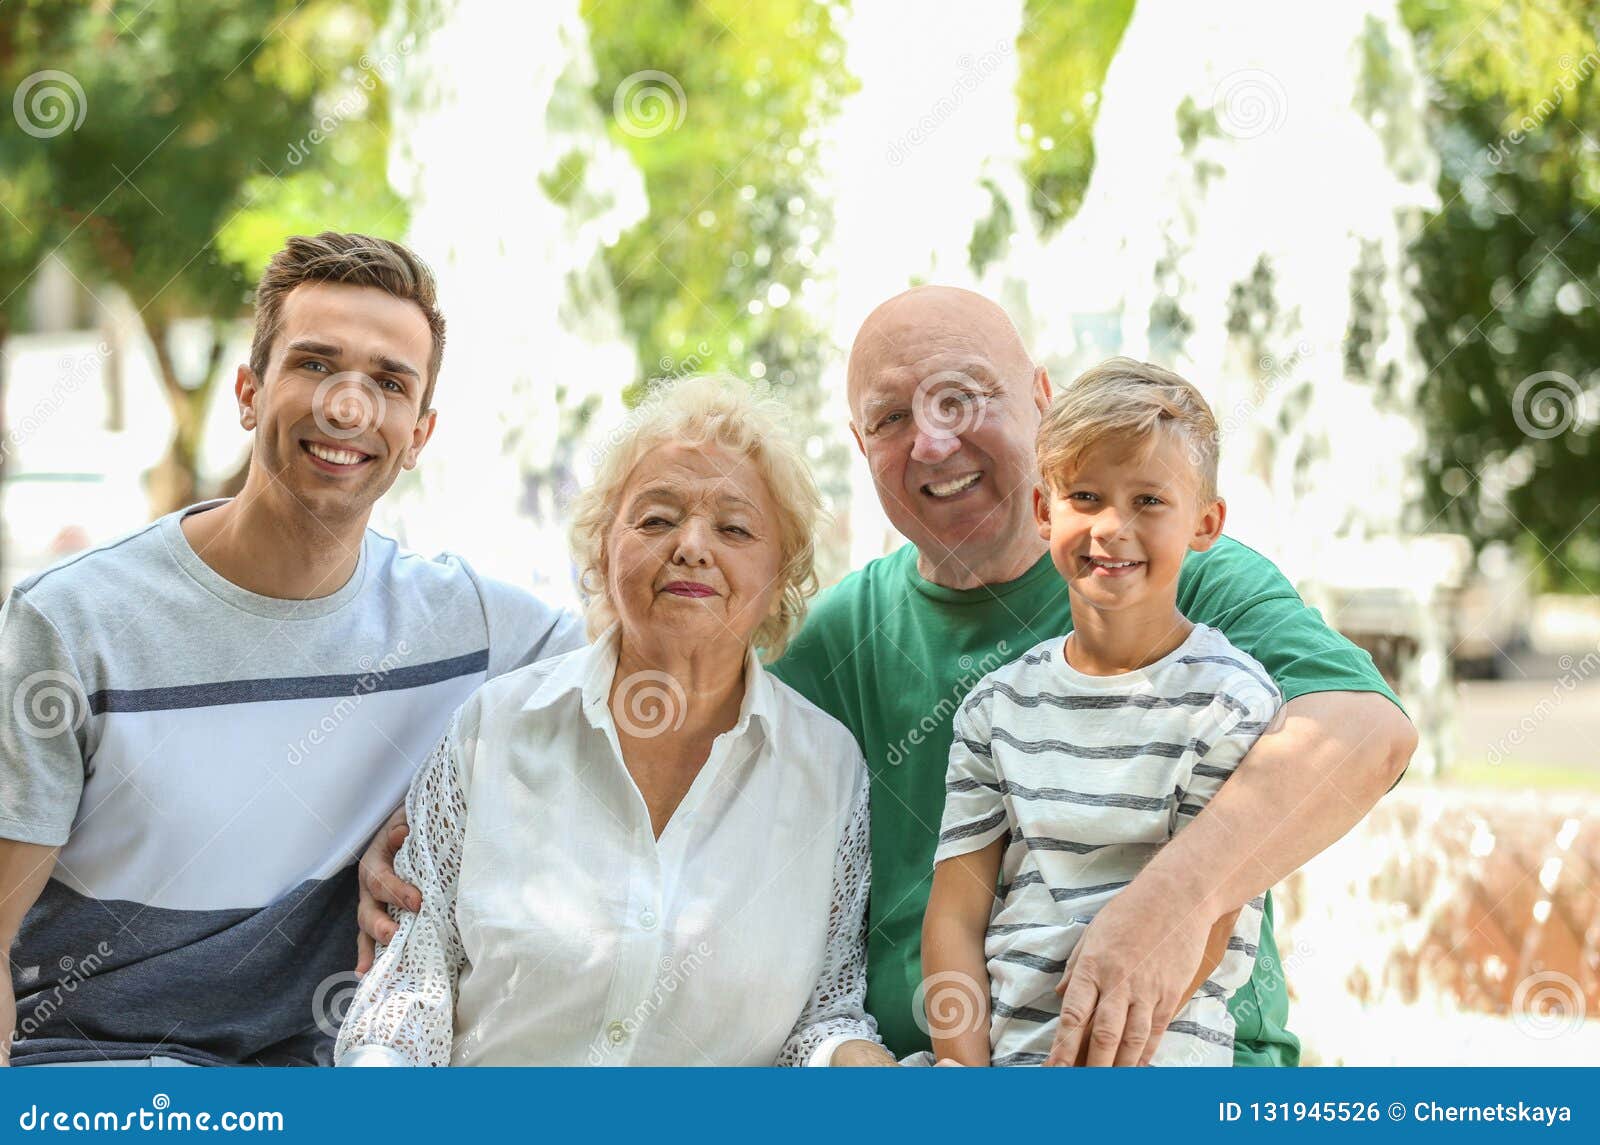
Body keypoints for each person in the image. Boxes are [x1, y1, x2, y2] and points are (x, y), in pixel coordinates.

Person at [361, 284, 1418, 1067]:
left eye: (966, 398)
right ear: (863, 448)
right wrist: (448, 826)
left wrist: (1172, 900)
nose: (935, 440)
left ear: (1043, 406)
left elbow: (1365, 733)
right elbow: (666, 666)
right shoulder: (842, 634)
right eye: (892, 417)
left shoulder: (1172, 572)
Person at [0, 232, 581, 1067]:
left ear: (419, 434)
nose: (347, 408)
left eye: (388, 382)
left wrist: (437, 815)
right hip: (97, 1078)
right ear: (248, 390)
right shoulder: (74, 624)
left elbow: (660, 680)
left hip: (323, 1086)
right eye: (314, 364)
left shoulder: (475, 626)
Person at [334, 375, 891, 1066]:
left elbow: (821, 1015)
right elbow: (410, 985)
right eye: (656, 519)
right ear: (603, 549)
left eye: (735, 527)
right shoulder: (497, 725)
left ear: (781, 573)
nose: (691, 545)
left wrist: (855, 1064)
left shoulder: (829, 769)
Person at [922, 358, 1280, 1066]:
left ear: (1205, 523)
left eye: (1149, 500)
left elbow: (1199, 924)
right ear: (1042, 511)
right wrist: (960, 1076)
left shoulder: (1231, 701)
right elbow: (954, 918)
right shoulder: (995, 709)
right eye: (1085, 496)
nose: (1111, 527)